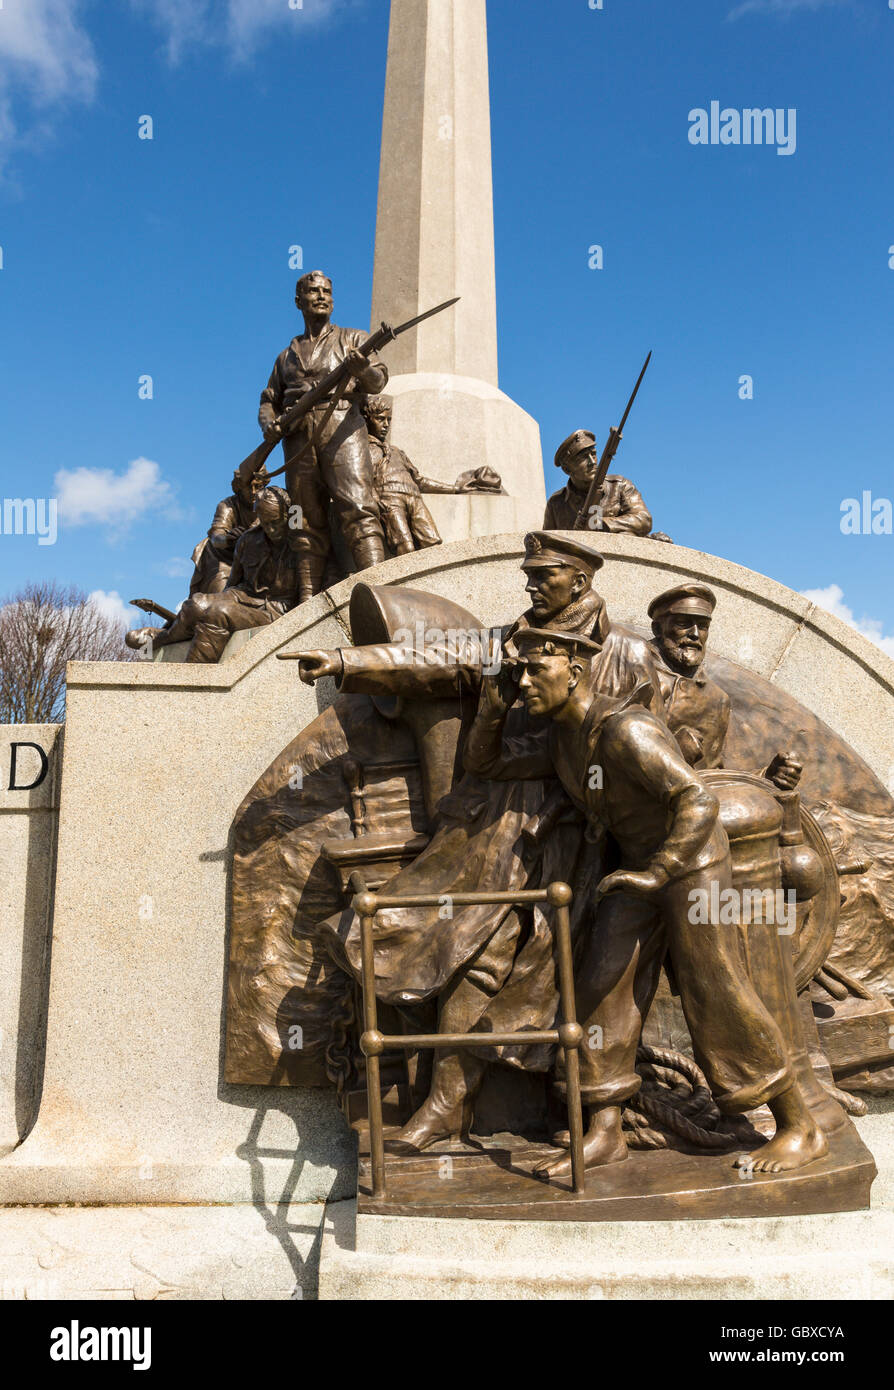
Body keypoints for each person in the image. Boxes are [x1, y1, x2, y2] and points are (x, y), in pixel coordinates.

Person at [294, 534, 663, 1154]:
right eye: (528, 573)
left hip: (579, 837)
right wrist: (345, 663)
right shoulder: (507, 641)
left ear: (577, 577)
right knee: (460, 950)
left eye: (542, 573)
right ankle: (445, 1107)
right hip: (498, 827)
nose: (529, 583)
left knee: (539, 972)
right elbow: (436, 660)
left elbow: (643, 747)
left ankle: (569, 1113)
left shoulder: (627, 652)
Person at [465, 626, 828, 1178]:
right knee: (600, 986)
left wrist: (660, 871)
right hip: (639, 868)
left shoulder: (626, 730)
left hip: (690, 863)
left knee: (715, 989)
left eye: (537, 669)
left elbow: (696, 799)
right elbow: (486, 766)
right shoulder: (563, 735)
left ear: (576, 671)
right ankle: (605, 1131)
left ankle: (799, 1125)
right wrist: (492, 711)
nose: (524, 680)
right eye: (519, 670)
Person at [258, 270, 389, 594]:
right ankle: (305, 605)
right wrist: (270, 424)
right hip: (298, 437)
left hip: (342, 425)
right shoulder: (285, 357)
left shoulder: (354, 339)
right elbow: (269, 400)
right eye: (313, 291)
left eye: (326, 291)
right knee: (302, 521)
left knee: (358, 506)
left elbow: (379, 382)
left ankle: (380, 590)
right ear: (298, 301)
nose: (321, 297)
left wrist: (363, 370)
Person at [647, 583, 802, 788]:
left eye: (703, 626)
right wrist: (671, 753)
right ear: (658, 628)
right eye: (684, 623)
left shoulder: (715, 699)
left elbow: (711, 774)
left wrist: (765, 777)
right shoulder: (632, 667)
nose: (695, 634)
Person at [129, 487, 300, 664]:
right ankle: (165, 637)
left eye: (275, 523)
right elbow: (232, 586)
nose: (271, 530)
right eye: (265, 524)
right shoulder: (248, 540)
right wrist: (205, 603)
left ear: (287, 516)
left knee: (218, 612)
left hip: (275, 610)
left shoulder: (300, 544)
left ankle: (192, 679)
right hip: (244, 598)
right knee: (196, 603)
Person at [362, 395, 500, 554]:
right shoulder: (362, 449)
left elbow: (419, 480)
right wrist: (378, 503)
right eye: (380, 419)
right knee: (404, 545)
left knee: (432, 541)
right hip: (390, 499)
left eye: (389, 420)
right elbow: (362, 480)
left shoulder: (397, 452)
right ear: (367, 420)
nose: (386, 425)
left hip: (414, 497)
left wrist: (455, 489)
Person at [544, 429, 652, 536]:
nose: (592, 462)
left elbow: (644, 519)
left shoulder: (619, 486)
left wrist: (602, 524)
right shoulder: (556, 504)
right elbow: (546, 543)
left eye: (594, 455)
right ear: (567, 469)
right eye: (583, 458)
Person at [189, 465, 270, 596]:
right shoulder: (228, 506)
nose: (254, 492)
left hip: (255, 561)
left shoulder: (270, 503)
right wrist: (227, 538)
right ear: (239, 487)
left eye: (259, 486)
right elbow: (216, 536)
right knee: (220, 596)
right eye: (249, 487)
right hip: (224, 561)